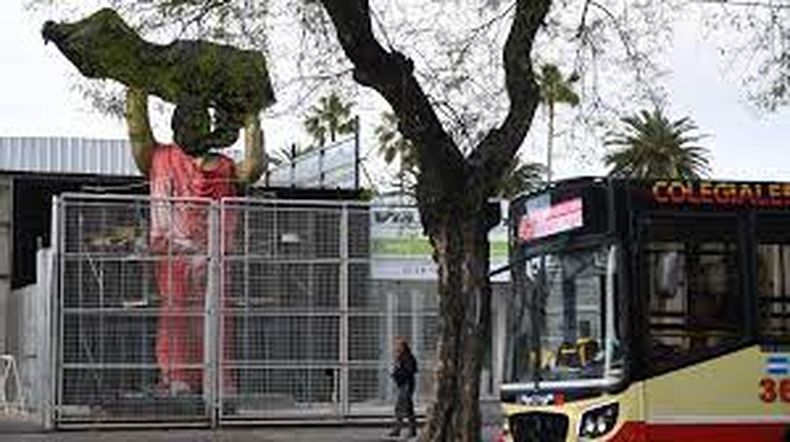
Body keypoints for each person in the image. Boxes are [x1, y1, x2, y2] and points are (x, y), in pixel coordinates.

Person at [125, 87, 266, 396]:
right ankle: (180, 379)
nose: (193, 127)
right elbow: (137, 131)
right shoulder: (160, 157)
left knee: (215, 315)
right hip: (174, 256)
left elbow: (254, 167)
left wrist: (252, 118)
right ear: (176, 126)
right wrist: (136, 87)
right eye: (188, 121)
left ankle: (216, 380)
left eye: (199, 121)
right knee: (177, 313)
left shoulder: (223, 165)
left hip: (214, 257)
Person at [389, 337, 418, 438]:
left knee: (404, 407)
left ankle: (405, 429)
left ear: (403, 346)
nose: (396, 347)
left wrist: (397, 372)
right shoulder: (400, 357)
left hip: (407, 384)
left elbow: (410, 371)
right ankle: (406, 429)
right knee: (405, 407)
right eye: (395, 345)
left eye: (398, 345)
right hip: (402, 384)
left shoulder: (408, 357)